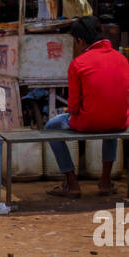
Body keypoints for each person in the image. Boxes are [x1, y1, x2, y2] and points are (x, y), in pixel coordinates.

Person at [45, 15, 129, 198]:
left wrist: (77, 112)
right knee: (110, 126)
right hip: (120, 121)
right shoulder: (122, 59)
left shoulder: (78, 64)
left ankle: (71, 183)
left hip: (88, 122)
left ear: (80, 41)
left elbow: (73, 107)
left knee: (50, 127)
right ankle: (105, 181)